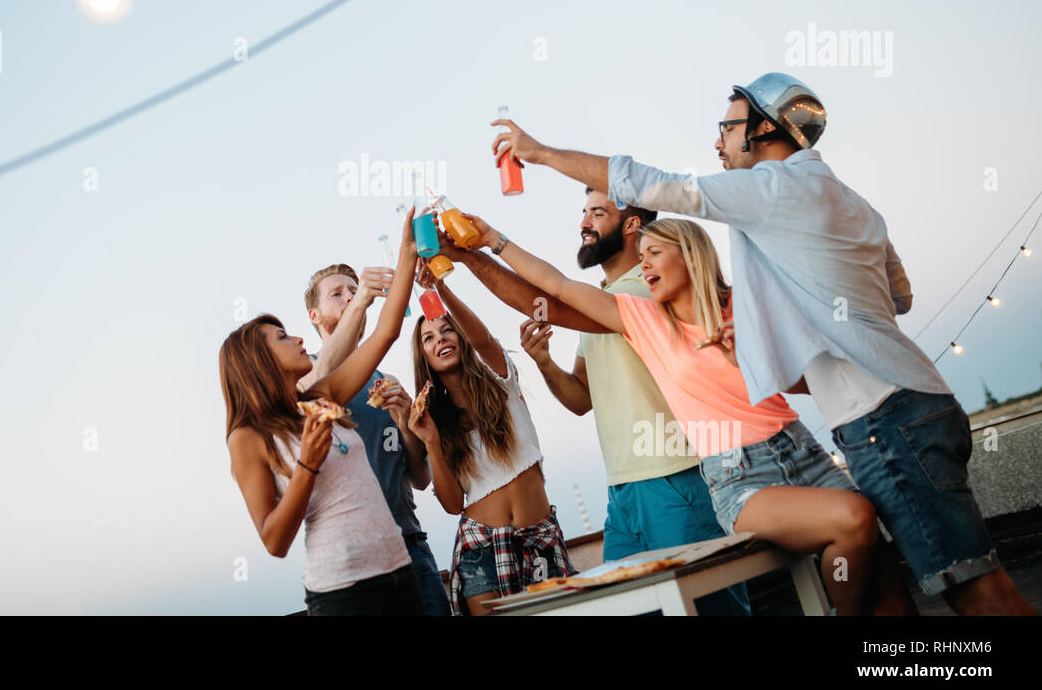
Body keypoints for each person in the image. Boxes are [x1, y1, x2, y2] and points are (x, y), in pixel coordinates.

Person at [491, 73, 1035, 615]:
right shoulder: (850, 201)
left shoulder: (769, 191)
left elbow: (655, 185)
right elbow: (899, 296)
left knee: (980, 595)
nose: (718, 143)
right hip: (923, 403)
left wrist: (537, 152)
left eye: (726, 128)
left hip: (880, 420)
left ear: (764, 129)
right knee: (899, 587)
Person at [456, 210, 913, 615]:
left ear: (691, 254)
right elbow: (553, 286)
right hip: (738, 472)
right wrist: (491, 240)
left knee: (887, 578)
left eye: (655, 252)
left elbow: (812, 378)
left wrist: (756, 361)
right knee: (853, 517)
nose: (645, 262)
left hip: (799, 448)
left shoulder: (741, 308)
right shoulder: (645, 320)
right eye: (643, 254)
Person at [434, 190, 750, 615]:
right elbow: (581, 399)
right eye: (583, 211)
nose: (584, 222)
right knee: (629, 609)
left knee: (712, 609)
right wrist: (545, 364)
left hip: (677, 477)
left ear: (633, 224)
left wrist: (480, 252)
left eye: (598, 213)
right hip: (623, 493)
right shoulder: (603, 301)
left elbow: (546, 299)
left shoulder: (650, 288)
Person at [221, 207, 424, 616]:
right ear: (258, 361)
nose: (297, 337)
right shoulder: (247, 438)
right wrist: (307, 466)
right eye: (282, 337)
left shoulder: (320, 396)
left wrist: (407, 252)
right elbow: (274, 541)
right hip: (344, 595)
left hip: (402, 573)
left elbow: (387, 331)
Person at [404, 261, 573, 616]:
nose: (441, 340)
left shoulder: (501, 380)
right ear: (424, 356)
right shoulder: (432, 421)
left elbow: (482, 338)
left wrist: (440, 290)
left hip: (540, 538)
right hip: (480, 550)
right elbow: (452, 504)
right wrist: (432, 442)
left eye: (447, 330)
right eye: (429, 338)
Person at [301, 262, 451, 615]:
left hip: (410, 543)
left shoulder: (387, 382)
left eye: (354, 290)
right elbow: (311, 398)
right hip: (351, 558)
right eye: (336, 294)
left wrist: (404, 423)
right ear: (315, 315)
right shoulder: (306, 375)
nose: (350, 298)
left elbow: (419, 477)